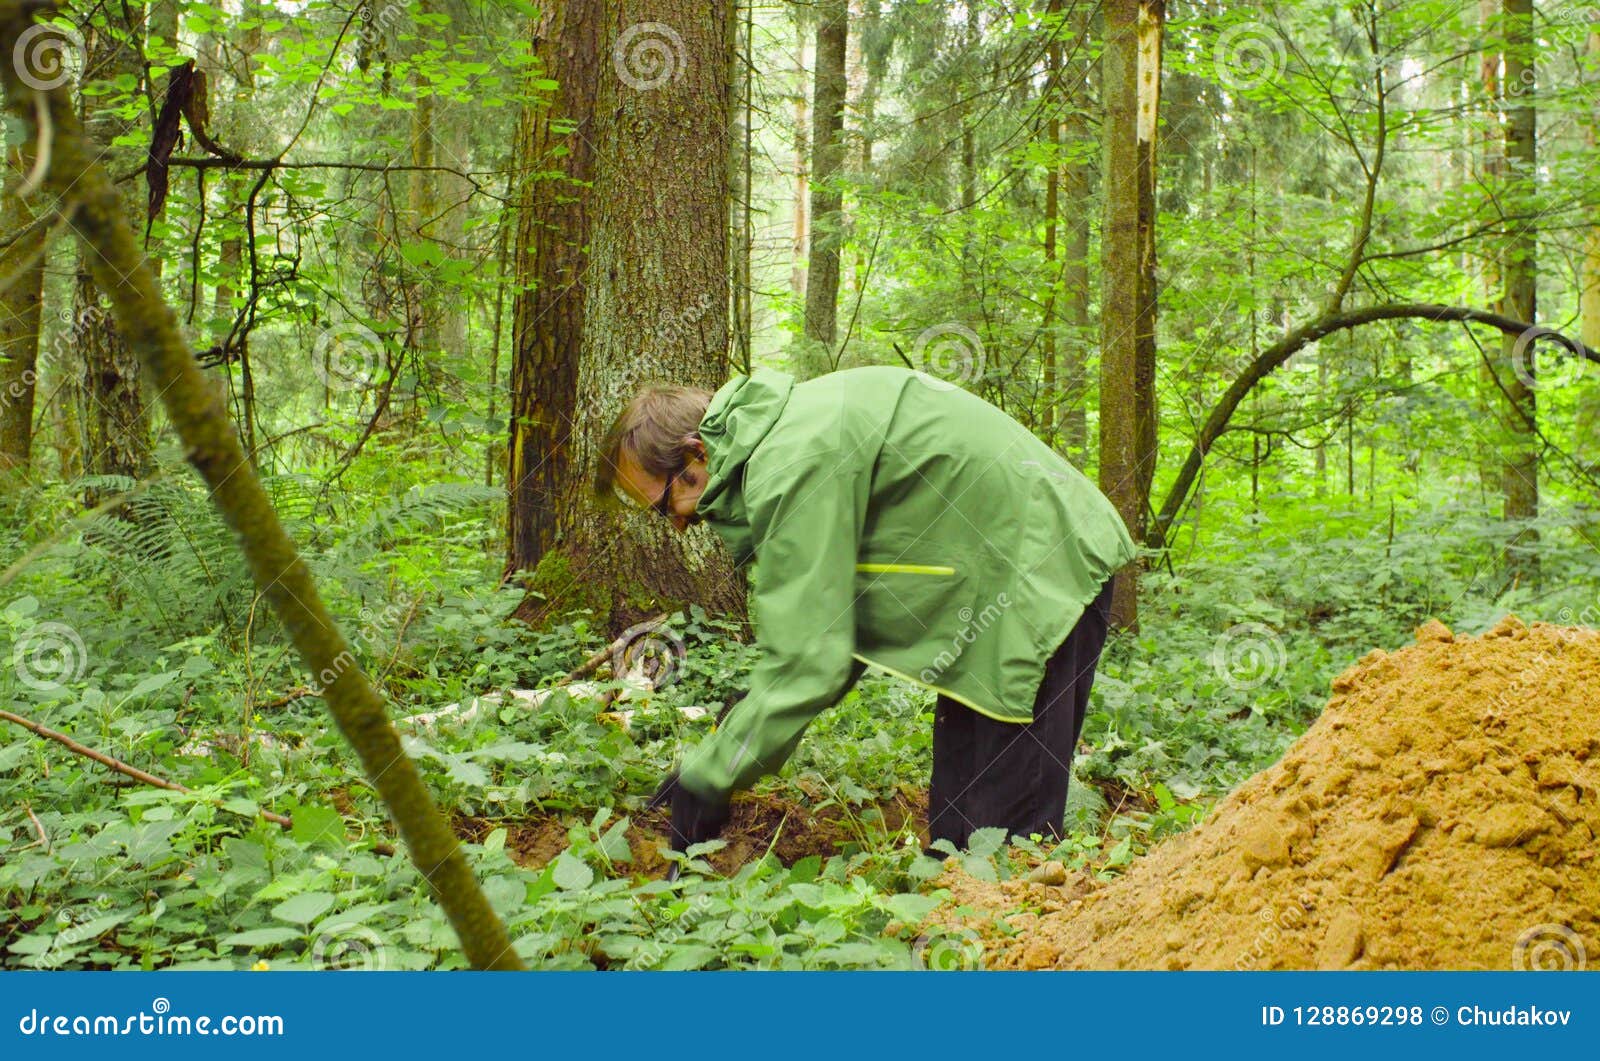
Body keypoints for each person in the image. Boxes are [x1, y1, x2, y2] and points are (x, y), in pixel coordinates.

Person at [595, 365, 1136, 855]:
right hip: (995, 589)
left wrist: (711, 777)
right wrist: (738, 731)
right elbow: (832, 621)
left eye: (666, 504)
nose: (678, 526)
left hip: (1042, 575)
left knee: (1005, 848)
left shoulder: (791, 462)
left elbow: (815, 659)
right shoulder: (789, 439)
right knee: (955, 836)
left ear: (698, 454)